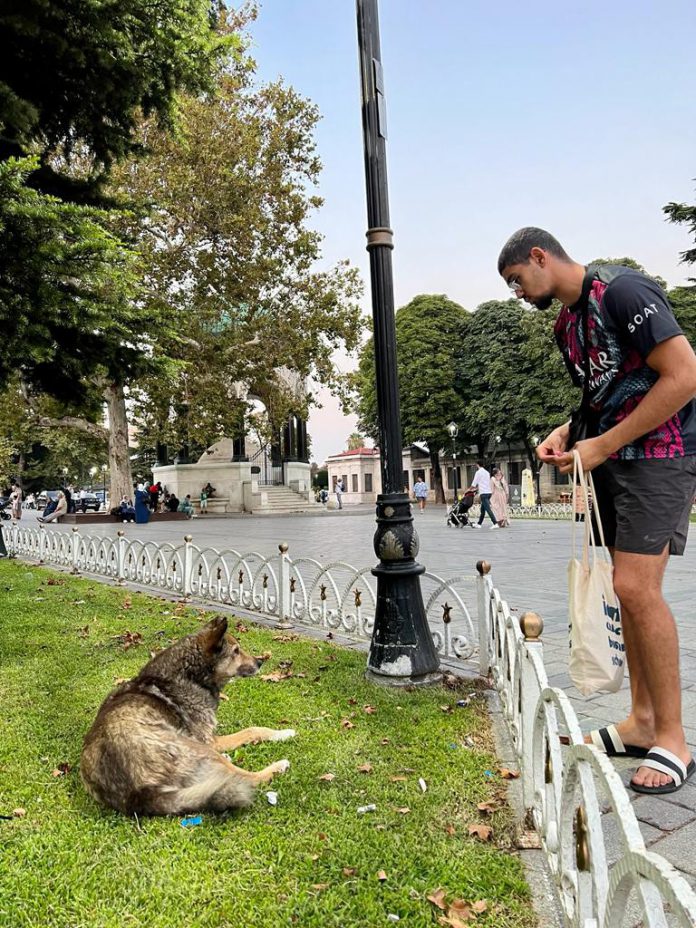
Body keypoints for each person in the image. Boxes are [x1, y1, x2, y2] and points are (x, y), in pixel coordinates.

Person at [498, 226, 696, 795]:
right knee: (624, 587)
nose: (518, 292)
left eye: (517, 280)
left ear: (540, 256)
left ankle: (675, 740)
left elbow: (683, 376)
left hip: (661, 456)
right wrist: (566, 434)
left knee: (637, 588)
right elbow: (600, 399)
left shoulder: (623, 292)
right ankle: (640, 723)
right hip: (612, 460)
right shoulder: (567, 325)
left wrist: (604, 445)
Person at [468, 462, 498, 528]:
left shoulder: (478, 473)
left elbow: (474, 483)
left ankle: (495, 523)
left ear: (477, 465)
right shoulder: (487, 473)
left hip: (483, 493)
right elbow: (484, 483)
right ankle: (479, 524)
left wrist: (468, 490)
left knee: (488, 509)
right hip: (488, 492)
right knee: (483, 509)